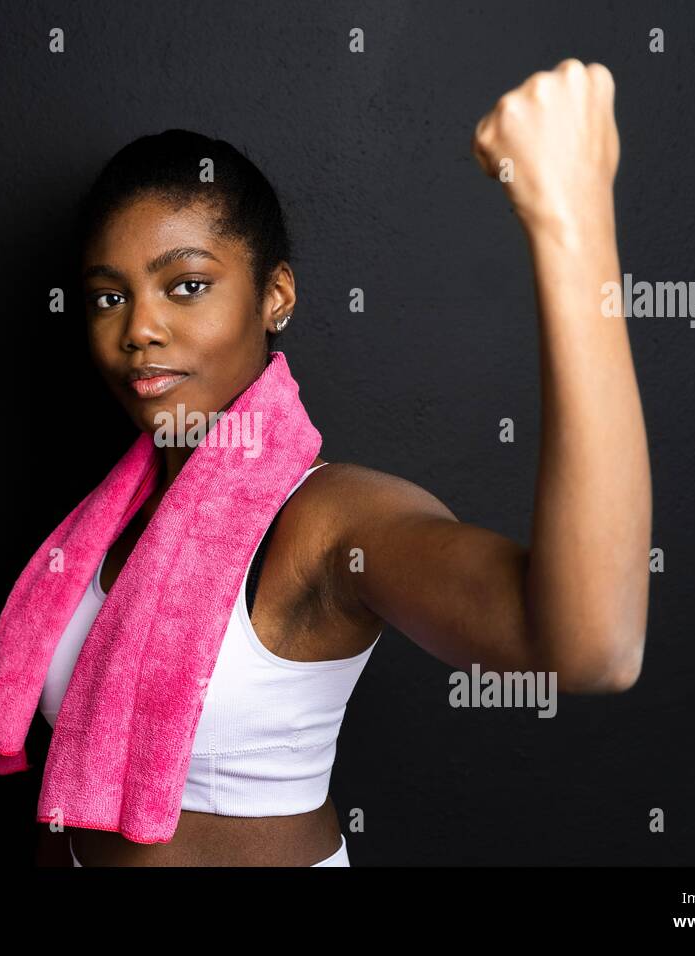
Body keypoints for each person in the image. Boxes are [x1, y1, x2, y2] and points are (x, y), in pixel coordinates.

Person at [39, 58, 648, 866]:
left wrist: (571, 218)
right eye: (109, 296)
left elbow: (592, 648)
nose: (138, 328)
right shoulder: (104, 526)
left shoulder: (330, 521)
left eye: (185, 285)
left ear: (275, 297)